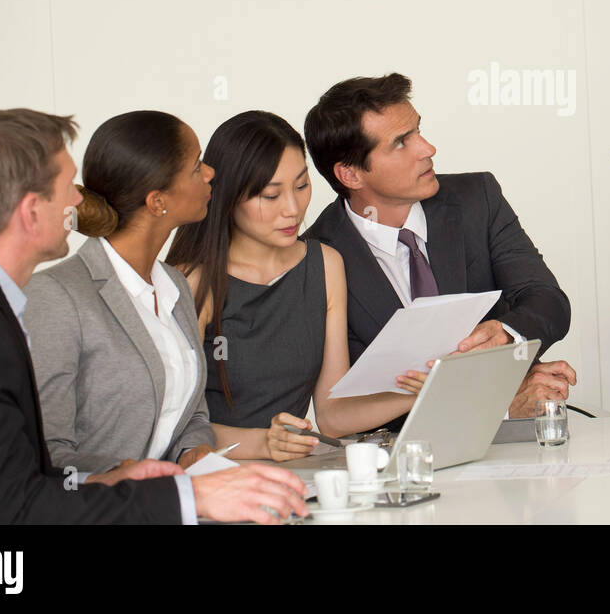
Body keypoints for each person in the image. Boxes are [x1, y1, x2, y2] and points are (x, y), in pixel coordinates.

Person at [0, 109, 306, 523]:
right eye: (68, 186)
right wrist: (189, 497)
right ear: (31, 211)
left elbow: (11, 476)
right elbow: (12, 506)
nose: (81, 198)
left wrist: (106, 477)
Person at [304, 74, 577, 420]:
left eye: (418, 130)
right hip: (400, 459)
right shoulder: (315, 257)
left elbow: (549, 301)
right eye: (402, 142)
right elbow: (346, 412)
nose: (427, 148)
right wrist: (498, 410)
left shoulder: (478, 198)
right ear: (351, 175)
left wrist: (507, 334)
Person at [166, 110, 428, 460]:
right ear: (228, 197)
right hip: (218, 479)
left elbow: (333, 416)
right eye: (271, 196)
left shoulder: (325, 265)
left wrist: (419, 393)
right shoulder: (193, 282)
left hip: (294, 476)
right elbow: (173, 426)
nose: (293, 209)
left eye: (302, 186)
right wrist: (262, 443)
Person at [24, 111, 219, 474]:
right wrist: (126, 474)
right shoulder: (56, 296)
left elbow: (193, 416)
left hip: (159, 505)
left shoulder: (175, 285)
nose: (209, 173)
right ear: (157, 201)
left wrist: (195, 450)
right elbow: (46, 451)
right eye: (196, 166)